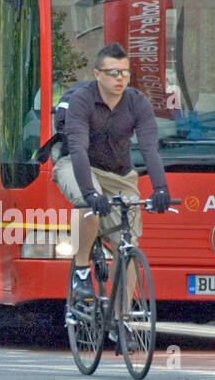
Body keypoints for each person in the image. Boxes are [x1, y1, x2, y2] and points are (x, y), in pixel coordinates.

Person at [51, 43, 171, 302]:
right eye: (113, 72)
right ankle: (81, 271)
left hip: (119, 173)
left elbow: (150, 149)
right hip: (76, 164)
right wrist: (90, 193)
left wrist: (161, 189)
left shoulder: (137, 103)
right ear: (97, 74)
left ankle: (121, 319)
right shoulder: (83, 100)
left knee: (126, 247)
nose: (120, 79)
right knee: (89, 207)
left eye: (125, 73)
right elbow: (78, 149)